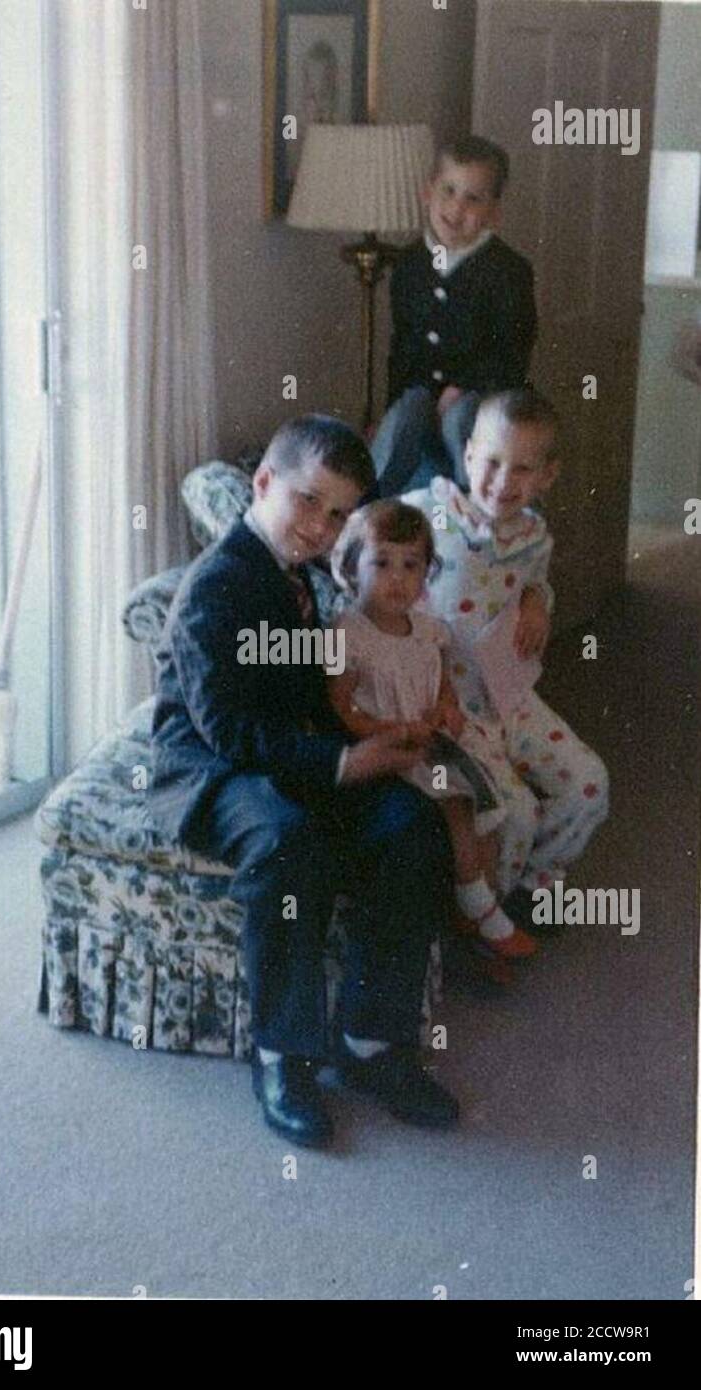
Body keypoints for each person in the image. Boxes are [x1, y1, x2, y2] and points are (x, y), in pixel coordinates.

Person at [149, 415, 459, 1148]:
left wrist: (367, 740)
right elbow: (229, 731)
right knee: (289, 841)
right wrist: (344, 765)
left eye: (340, 513)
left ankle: (370, 1043)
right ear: (263, 485)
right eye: (308, 501)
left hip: (296, 749)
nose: (322, 527)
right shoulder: (217, 587)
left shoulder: (308, 573)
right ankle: (282, 1055)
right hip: (212, 768)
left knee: (415, 828)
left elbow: (317, 686)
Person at [404, 389, 609, 902]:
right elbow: (361, 547)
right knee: (515, 810)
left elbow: (536, 580)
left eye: (522, 469)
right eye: (492, 462)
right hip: (451, 707)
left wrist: (538, 601)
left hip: (511, 696)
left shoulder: (536, 536)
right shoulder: (426, 512)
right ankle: (489, 911)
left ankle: (534, 887)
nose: (502, 482)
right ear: (469, 454)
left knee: (589, 783)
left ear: (547, 477)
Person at [328, 498, 538, 960]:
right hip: (386, 747)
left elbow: (442, 685)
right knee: (457, 803)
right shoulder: (349, 633)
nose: (397, 578)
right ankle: (481, 910)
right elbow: (340, 708)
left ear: (427, 572)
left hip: (431, 741)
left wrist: (447, 709)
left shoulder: (428, 630)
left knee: (489, 806)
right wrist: (389, 728)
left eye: (411, 565)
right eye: (380, 563)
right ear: (351, 568)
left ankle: (475, 903)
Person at [372, 135, 537, 496]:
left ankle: (473, 508)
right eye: (448, 191)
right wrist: (390, 410)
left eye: (473, 198)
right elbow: (402, 347)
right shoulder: (410, 264)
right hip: (420, 395)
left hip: (481, 400)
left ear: (494, 211)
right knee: (404, 415)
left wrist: (462, 386)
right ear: (428, 192)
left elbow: (511, 352)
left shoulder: (509, 272)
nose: (456, 207)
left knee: (462, 419)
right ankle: (373, 504)